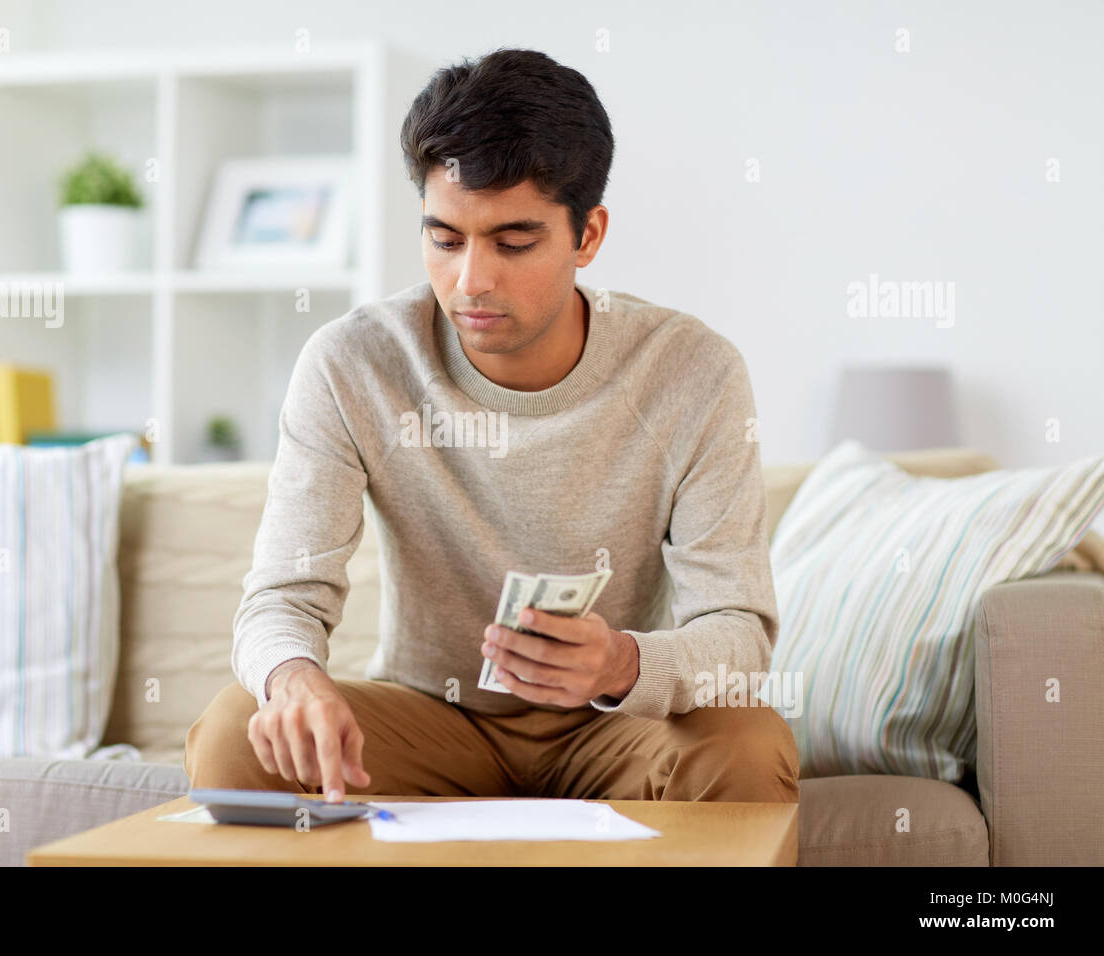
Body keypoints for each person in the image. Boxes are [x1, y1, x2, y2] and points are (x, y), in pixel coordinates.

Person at [185, 47, 799, 807]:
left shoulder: (692, 372)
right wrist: (294, 681)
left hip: (614, 729)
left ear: (588, 235)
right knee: (234, 733)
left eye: (513, 243)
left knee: (747, 743)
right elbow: (281, 597)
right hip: (430, 721)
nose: (471, 281)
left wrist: (620, 665)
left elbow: (737, 637)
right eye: (445, 239)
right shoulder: (354, 364)